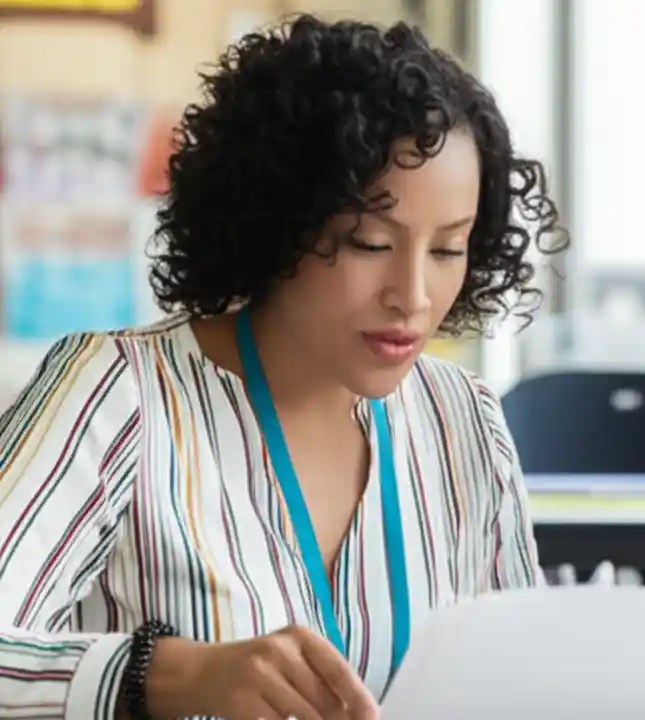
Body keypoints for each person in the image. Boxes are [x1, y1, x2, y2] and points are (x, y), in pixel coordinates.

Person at [0, 15, 561, 720]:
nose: (413, 296)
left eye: (448, 250)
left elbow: (525, 684)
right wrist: (168, 674)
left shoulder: (463, 422)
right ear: (276, 221)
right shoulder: (118, 396)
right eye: (368, 243)